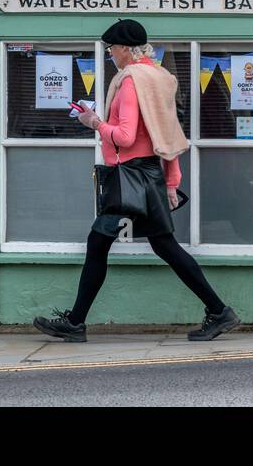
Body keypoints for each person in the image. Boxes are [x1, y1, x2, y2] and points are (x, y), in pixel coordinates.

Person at [33, 18, 239, 343]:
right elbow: (167, 134)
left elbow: (126, 137)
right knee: (158, 246)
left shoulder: (130, 82)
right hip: (149, 175)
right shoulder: (158, 78)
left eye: (112, 48)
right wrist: (171, 181)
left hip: (129, 178)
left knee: (104, 243)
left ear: (126, 49)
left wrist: (94, 122)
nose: (110, 54)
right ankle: (218, 311)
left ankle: (76, 323)